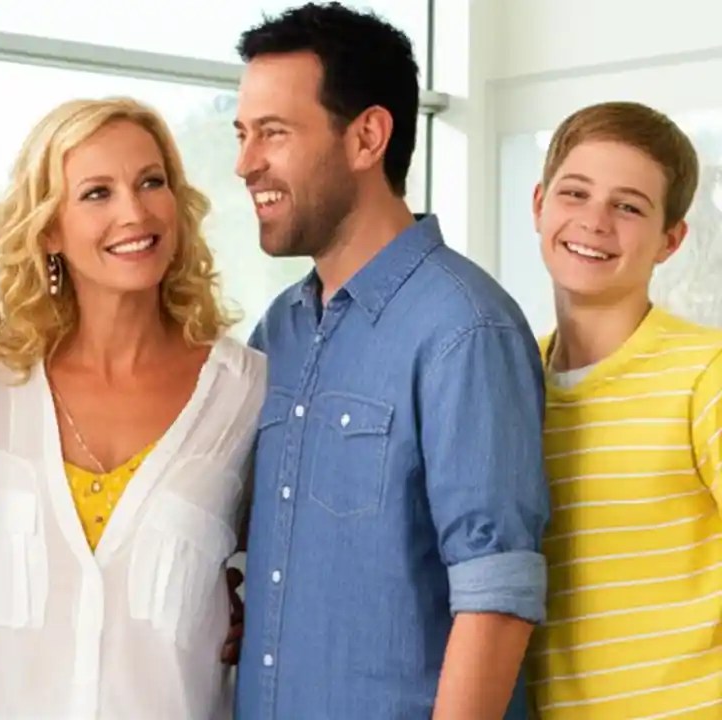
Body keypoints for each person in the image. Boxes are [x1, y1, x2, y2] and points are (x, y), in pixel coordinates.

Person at [231, 4, 550, 718]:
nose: (246, 162)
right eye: (244, 134)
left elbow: (496, 599)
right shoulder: (277, 331)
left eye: (274, 133)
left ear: (368, 136)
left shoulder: (465, 329)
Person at [0, 96, 265, 719]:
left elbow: (281, 564)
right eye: (96, 193)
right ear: (50, 228)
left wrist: (245, 603)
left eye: (152, 182)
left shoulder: (244, 391)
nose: (134, 211)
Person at [524, 101, 722, 719]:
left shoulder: (706, 373)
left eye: (628, 206)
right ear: (539, 204)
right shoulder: (508, 377)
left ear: (670, 239)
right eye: (575, 193)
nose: (594, 222)